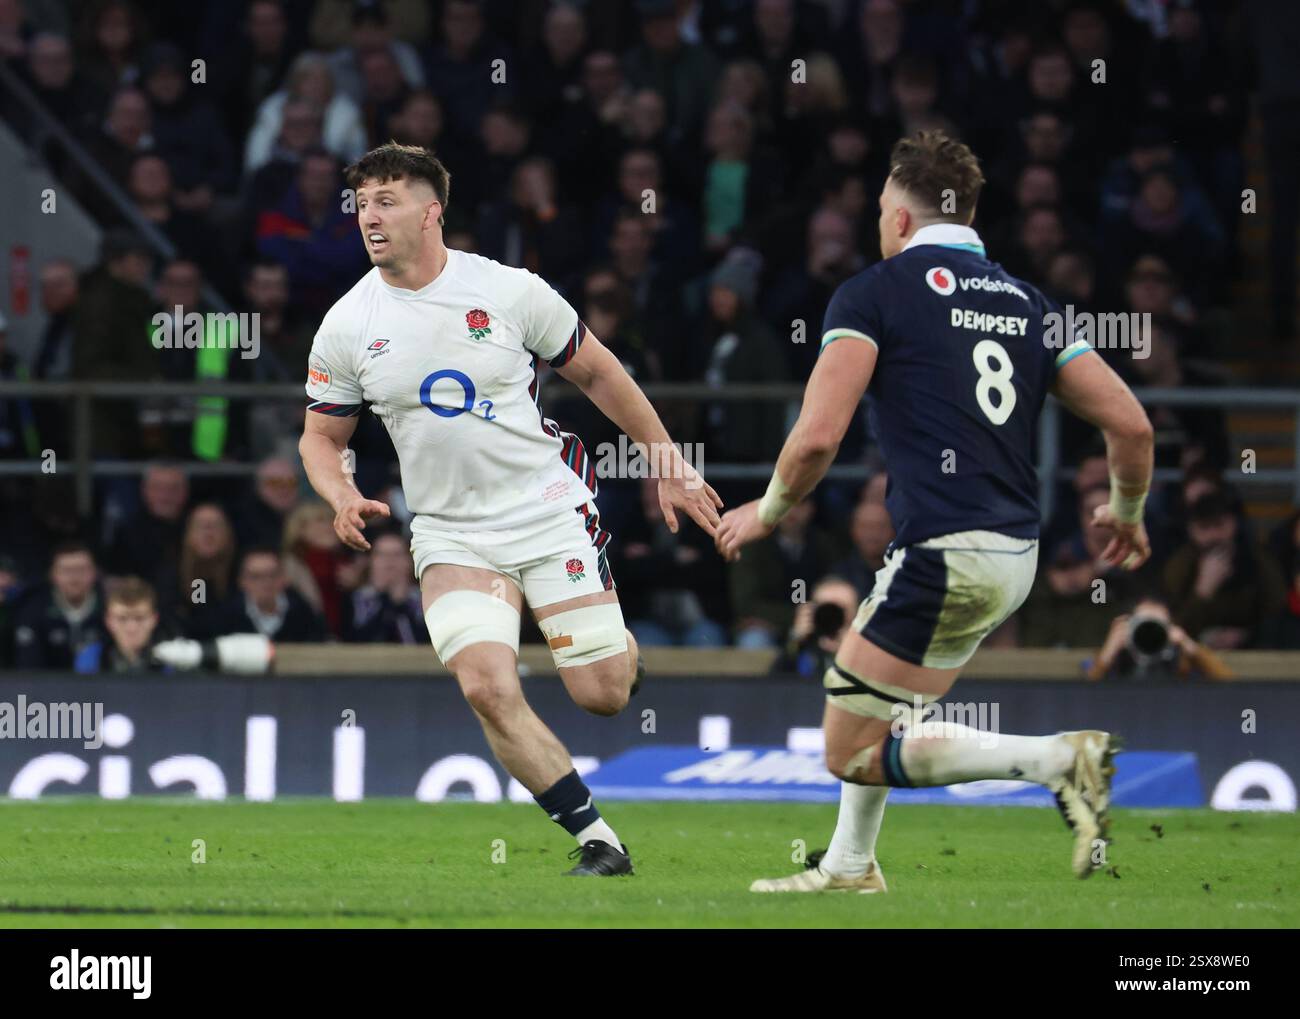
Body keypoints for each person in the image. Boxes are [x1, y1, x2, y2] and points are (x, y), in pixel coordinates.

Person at [716, 131, 1155, 891]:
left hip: (944, 550)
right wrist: (1128, 509)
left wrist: (769, 509)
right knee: (884, 716)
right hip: (1014, 555)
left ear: (898, 217)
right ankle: (851, 865)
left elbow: (818, 436)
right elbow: (1133, 426)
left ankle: (1057, 759)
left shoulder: (874, 293)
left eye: (880, 212)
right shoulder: (1030, 303)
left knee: (848, 750)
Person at [298, 142, 720, 877]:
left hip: (545, 509)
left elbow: (599, 372)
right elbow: (320, 435)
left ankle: (619, 651)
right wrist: (339, 493)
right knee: (487, 687)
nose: (369, 216)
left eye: (387, 201)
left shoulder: (509, 289)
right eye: (362, 203)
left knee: (603, 694)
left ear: (431, 212)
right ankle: (599, 839)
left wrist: (667, 461)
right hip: (450, 532)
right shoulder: (347, 323)